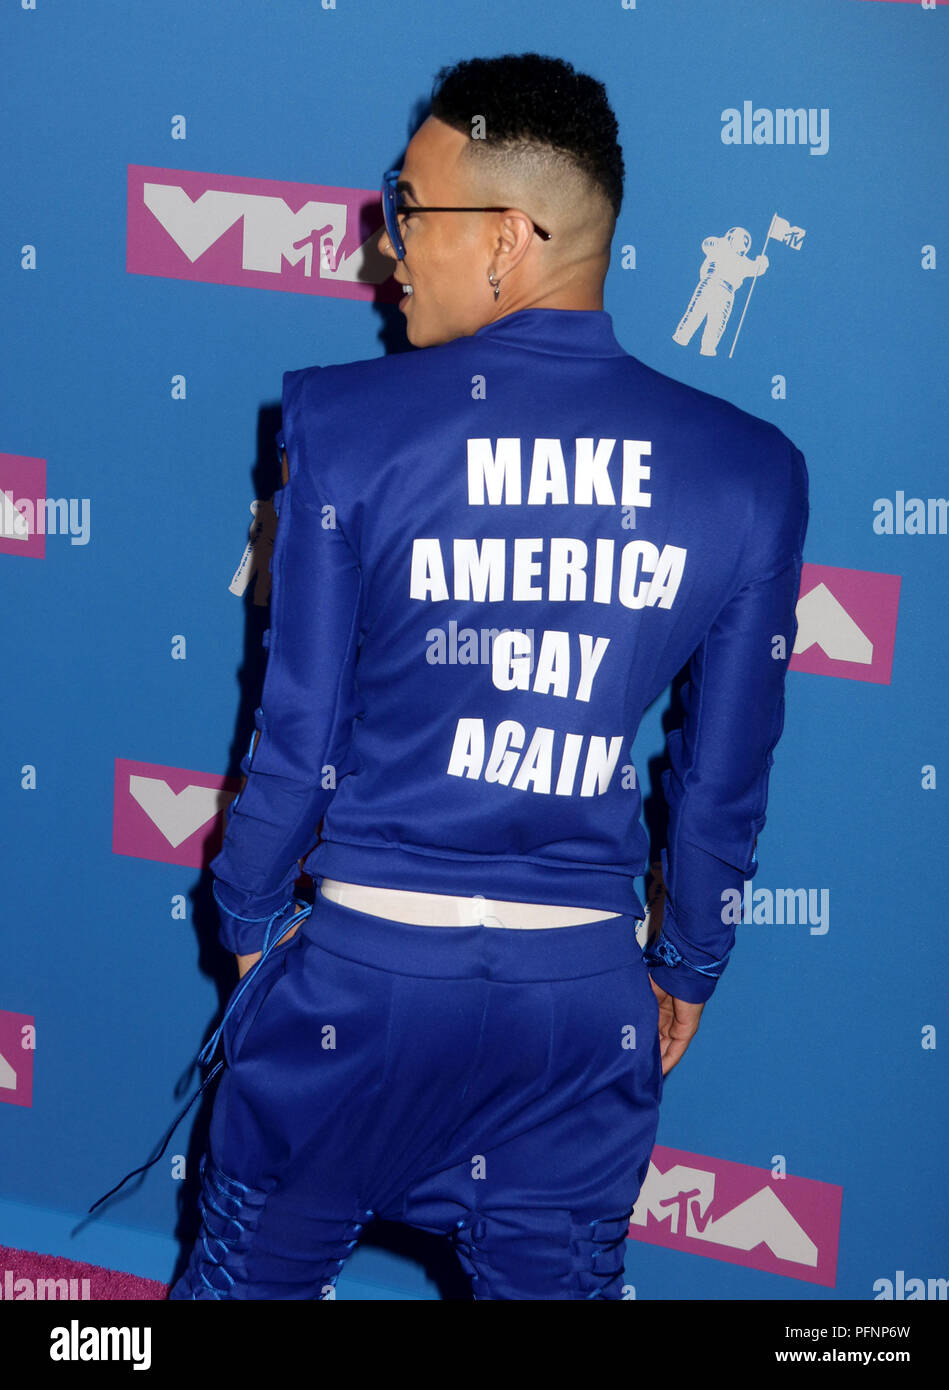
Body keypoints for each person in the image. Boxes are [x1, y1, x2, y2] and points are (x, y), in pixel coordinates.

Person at [168, 51, 809, 1301]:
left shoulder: (344, 426)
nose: (386, 244)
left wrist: (247, 922)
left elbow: (294, 735)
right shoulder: (750, 470)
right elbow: (724, 777)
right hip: (576, 1009)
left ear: (511, 239)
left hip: (359, 984)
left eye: (411, 208)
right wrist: (686, 965)